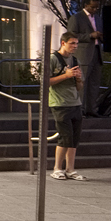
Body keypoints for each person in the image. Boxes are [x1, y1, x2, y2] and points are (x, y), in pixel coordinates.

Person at [44, 35, 85, 179]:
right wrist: (66, 75)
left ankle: (70, 169)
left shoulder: (75, 60)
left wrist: (78, 78)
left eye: (76, 43)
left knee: (74, 138)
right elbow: (46, 81)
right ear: (63, 43)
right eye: (72, 43)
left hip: (75, 102)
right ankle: (57, 168)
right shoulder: (53, 59)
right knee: (65, 136)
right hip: (60, 103)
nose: (75, 46)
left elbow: (79, 86)